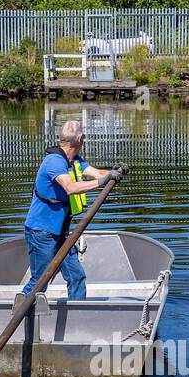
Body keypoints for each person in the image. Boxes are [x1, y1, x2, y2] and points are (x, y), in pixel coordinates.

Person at [21, 120, 124, 300]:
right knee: (40, 281)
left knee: (76, 276)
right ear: (80, 139)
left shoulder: (74, 161)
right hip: (41, 232)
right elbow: (70, 188)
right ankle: (20, 312)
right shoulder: (54, 161)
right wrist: (101, 182)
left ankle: (79, 314)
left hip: (60, 233)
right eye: (84, 136)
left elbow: (98, 173)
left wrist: (114, 172)